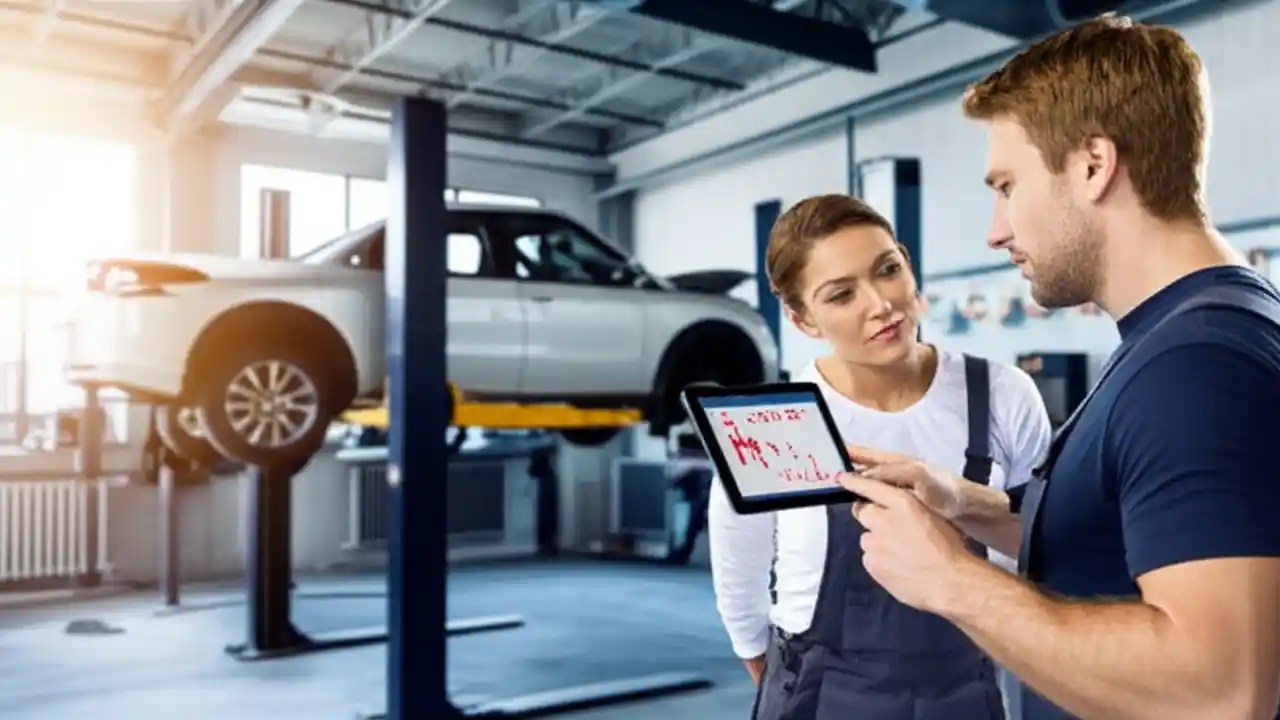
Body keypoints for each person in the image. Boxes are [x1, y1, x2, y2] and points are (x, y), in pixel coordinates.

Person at [837, 15, 1280, 720]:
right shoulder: (1184, 334)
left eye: (1006, 185)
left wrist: (951, 582)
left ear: (1093, 166)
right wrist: (961, 505)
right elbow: (1120, 537)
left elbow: (1221, 692)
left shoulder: (1195, 368)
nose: (995, 229)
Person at [707, 192, 1053, 719]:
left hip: (966, 689)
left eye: (887, 269)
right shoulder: (773, 423)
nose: (879, 304)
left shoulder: (1003, 395)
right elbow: (740, 586)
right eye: (841, 295)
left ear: (908, 266)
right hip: (820, 695)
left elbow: (1046, 546)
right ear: (803, 320)